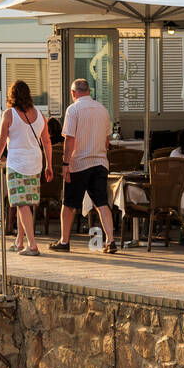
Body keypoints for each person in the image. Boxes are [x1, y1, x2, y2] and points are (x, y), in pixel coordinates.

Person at [49, 78, 116, 255]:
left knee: (69, 204)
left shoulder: (73, 109)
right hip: (100, 162)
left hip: (79, 163)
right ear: (89, 91)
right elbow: (107, 140)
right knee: (102, 203)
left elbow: (69, 139)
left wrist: (65, 163)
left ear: (73, 93)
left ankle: (64, 241)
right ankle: (110, 240)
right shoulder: (102, 110)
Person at [0, 79, 52, 257]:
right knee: (24, 203)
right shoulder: (40, 114)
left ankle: (32, 245)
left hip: (17, 162)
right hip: (35, 161)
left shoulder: (9, 114)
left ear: (12, 95)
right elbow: (47, 141)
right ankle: (19, 241)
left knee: (20, 203)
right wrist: (49, 164)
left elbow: (1, 140)